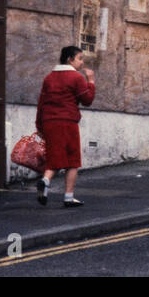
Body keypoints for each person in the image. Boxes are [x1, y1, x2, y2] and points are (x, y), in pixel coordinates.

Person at [35, 45, 96, 207]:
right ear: (70, 59)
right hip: (67, 121)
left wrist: (39, 125)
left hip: (48, 121)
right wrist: (91, 82)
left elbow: (41, 103)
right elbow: (87, 100)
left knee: (54, 157)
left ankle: (45, 181)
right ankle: (68, 197)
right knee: (72, 160)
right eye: (80, 58)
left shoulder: (49, 78)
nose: (82, 63)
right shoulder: (76, 78)